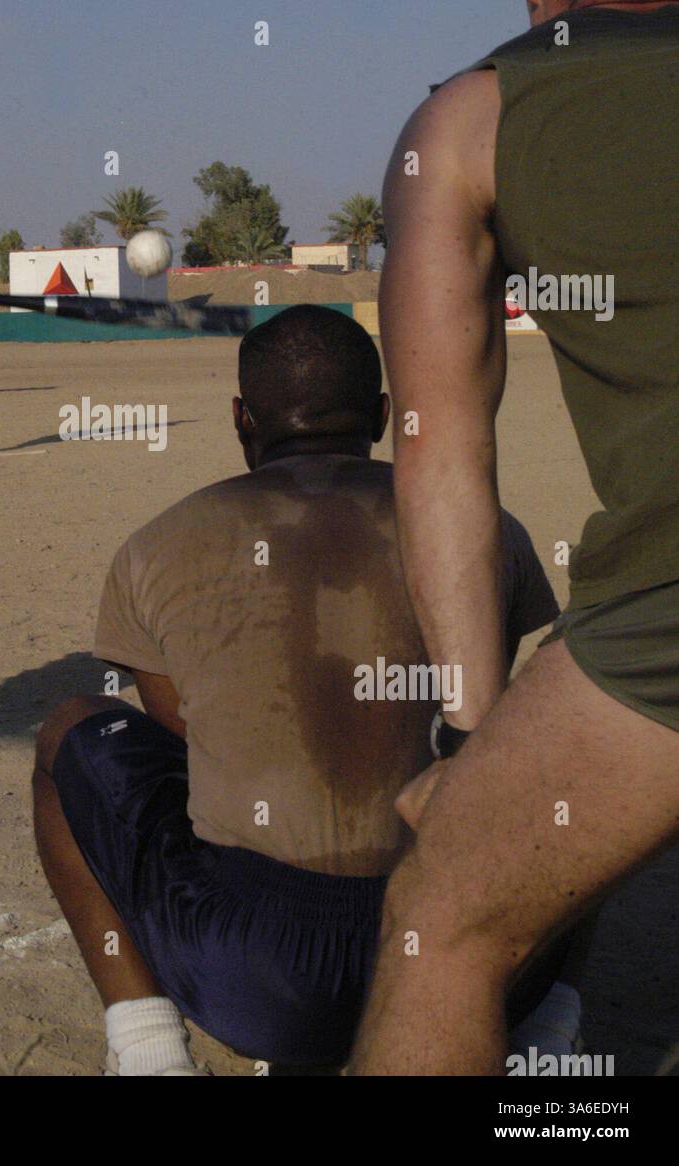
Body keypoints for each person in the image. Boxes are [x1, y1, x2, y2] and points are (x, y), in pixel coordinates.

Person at [349, 0, 679, 1074]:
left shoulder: (470, 122)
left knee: (441, 926)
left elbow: (440, 444)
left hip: (663, 613)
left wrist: (468, 731)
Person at [33, 306, 565, 1074]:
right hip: (458, 955)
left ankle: (148, 1051)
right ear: (383, 417)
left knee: (72, 728)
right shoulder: (486, 531)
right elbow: (475, 711)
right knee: (580, 731)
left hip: (252, 978)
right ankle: (547, 1038)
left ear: (242, 419)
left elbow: (187, 738)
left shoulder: (157, 543)